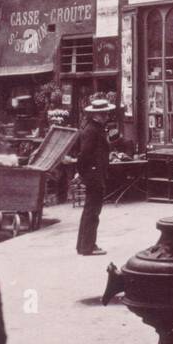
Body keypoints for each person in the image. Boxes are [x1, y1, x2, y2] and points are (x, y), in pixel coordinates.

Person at [74, 97, 114, 256]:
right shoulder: (92, 130)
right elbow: (84, 154)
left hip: (94, 173)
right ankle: (88, 246)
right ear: (96, 115)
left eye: (106, 113)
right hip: (94, 174)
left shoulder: (94, 128)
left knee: (89, 210)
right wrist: (84, 172)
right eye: (104, 113)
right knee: (93, 211)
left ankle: (83, 245)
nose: (107, 116)